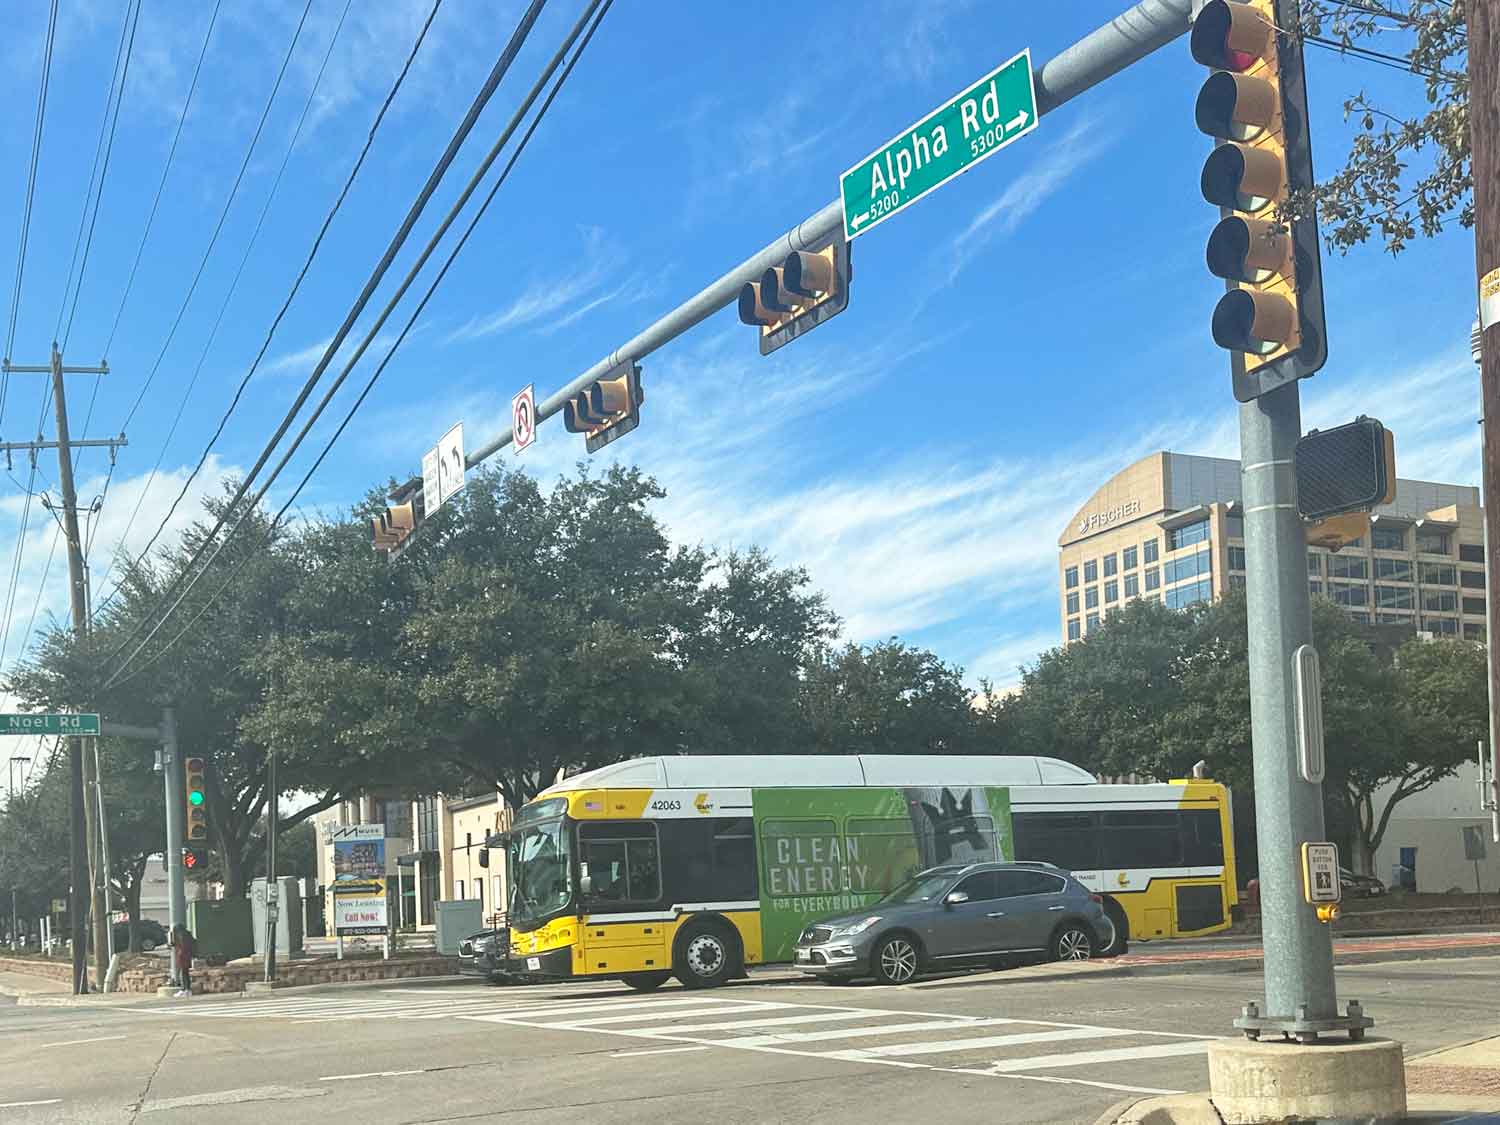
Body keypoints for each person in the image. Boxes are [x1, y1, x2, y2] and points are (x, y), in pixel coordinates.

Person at [171, 924, 195, 998]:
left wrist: (179, 953)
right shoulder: (187, 934)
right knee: (185, 973)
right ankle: (187, 990)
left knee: (183, 973)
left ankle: (184, 989)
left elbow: (182, 946)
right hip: (187, 956)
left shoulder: (181, 935)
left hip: (183, 957)